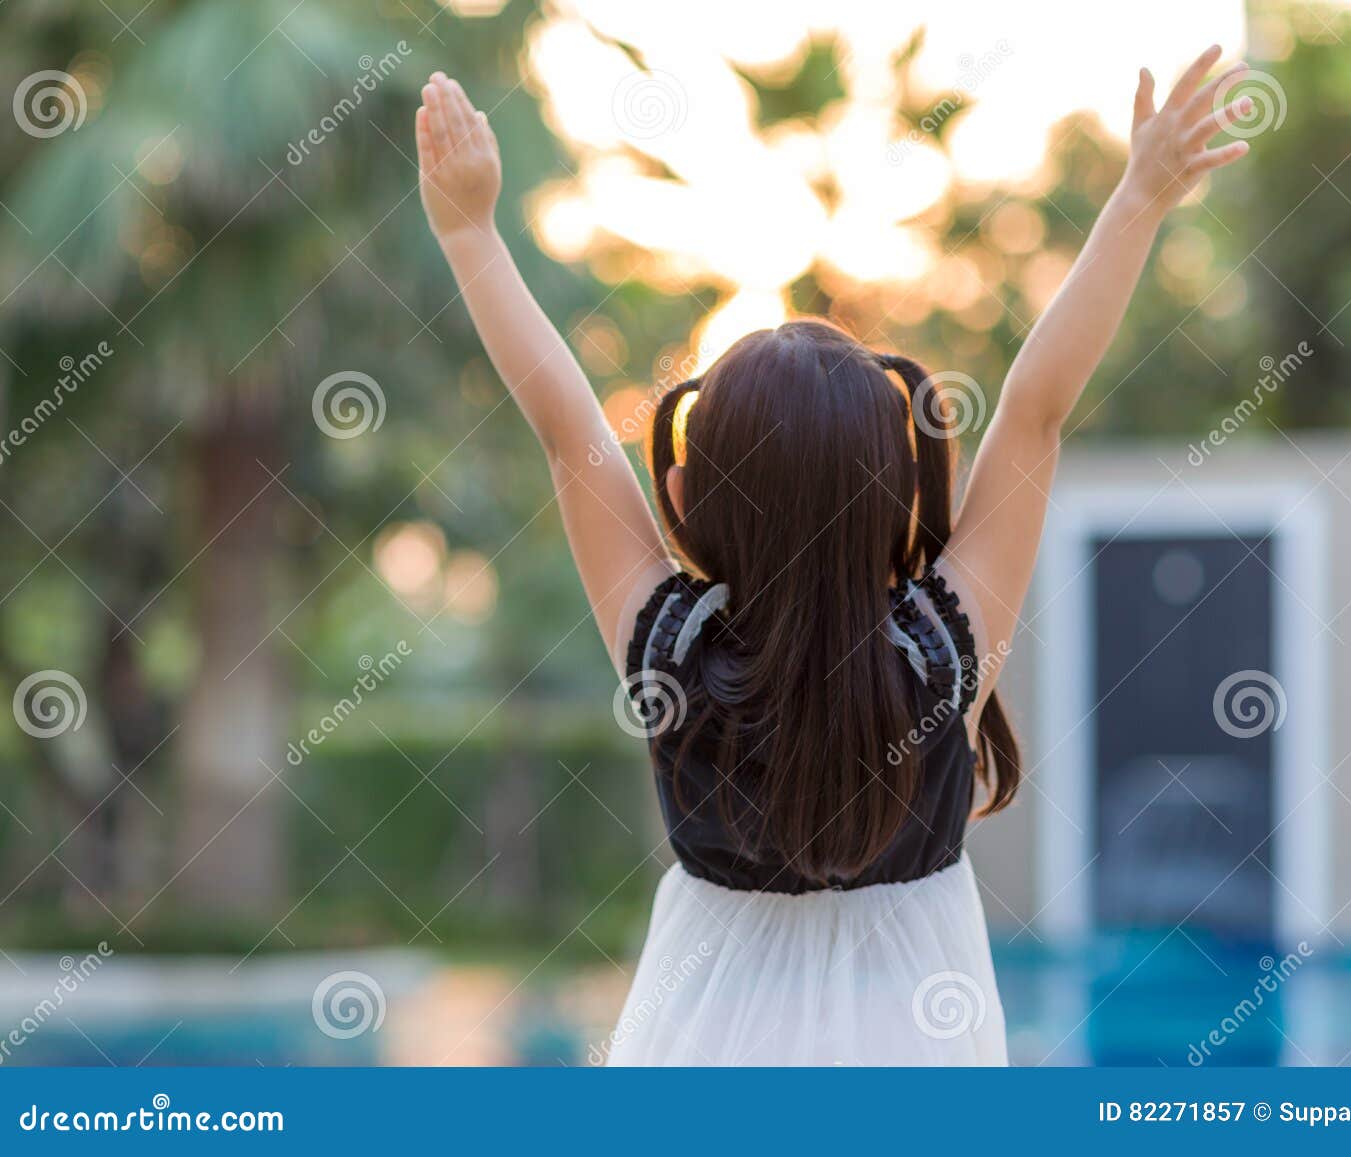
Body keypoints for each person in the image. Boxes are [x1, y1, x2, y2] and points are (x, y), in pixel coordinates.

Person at [415, 45, 1251, 1065]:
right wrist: (1138, 198)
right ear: (901, 496)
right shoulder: (944, 649)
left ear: (685, 496)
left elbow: (565, 429)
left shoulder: (670, 652)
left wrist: (467, 232)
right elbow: (1033, 413)